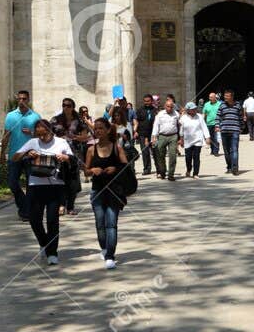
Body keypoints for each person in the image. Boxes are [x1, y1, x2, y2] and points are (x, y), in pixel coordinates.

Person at [13, 119, 73, 266]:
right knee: (34, 219)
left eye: (44, 134)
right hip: (35, 185)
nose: (42, 138)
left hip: (55, 185)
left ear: (50, 131)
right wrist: (27, 153)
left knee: (53, 220)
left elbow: (72, 160)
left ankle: (52, 253)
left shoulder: (61, 143)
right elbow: (15, 157)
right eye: (39, 134)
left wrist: (65, 158)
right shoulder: (32, 142)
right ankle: (44, 242)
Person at [84, 118, 130, 268]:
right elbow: (85, 170)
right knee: (100, 223)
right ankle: (104, 248)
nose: (97, 131)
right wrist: (92, 171)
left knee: (111, 224)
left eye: (100, 128)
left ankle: (110, 255)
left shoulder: (117, 148)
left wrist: (115, 169)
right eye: (95, 129)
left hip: (114, 191)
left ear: (108, 130)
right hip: (97, 191)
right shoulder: (91, 149)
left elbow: (126, 166)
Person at [0, 89, 40, 221]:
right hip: (14, 155)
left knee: (31, 185)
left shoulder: (35, 116)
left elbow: (42, 136)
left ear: (28, 100)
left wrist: (32, 133)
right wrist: (2, 154)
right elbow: (6, 136)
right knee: (12, 183)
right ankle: (24, 207)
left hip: (30, 155)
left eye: (24, 99)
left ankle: (26, 212)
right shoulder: (11, 116)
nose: (21, 101)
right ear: (17, 100)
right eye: (19, 99)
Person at [152, 95, 181, 180]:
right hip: (162, 136)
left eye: (171, 107)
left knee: (172, 156)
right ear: (165, 106)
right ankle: (162, 171)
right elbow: (156, 125)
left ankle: (171, 174)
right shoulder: (160, 114)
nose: (169, 108)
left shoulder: (176, 114)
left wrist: (181, 137)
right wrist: (154, 137)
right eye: (168, 106)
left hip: (173, 136)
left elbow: (181, 124)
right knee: (160, 154)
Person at [218, 87, 243, 173]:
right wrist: (217, 126)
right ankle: (229, 166)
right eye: (225, 96)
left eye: (227, 96)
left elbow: (240, 117)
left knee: (234, 149)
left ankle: (235, 168)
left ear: (232, 97)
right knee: (226, 150)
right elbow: (218, 116)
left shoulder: (238, 105)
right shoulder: (222, 105)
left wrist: (241, 127)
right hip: (224, 131)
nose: (225, 97)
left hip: (235, 131)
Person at [180, 102, 209, 177]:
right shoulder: (183, 118)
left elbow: (204, 127)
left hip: (198, 140)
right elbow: (181, 130)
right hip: (187, 140)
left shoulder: (199, 116)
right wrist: (181, 139)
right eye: (192, 109)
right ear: (188, 110)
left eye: (195, 108)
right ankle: (188, 169)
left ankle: (196, 173)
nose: (194, 110)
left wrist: (207, 137)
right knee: (188, 157)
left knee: (196, 157)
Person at [136, 96, 157, 175]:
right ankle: (147, 169)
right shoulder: (140, 110)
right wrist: (136, 132)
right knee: (145, 152)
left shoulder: (155, 110)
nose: (146, 103)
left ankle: (158, 168)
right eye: (145, 101)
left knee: (155, 152)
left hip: (153, 134)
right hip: (143, 134)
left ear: (151, 101)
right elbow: (137, 122)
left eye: (148, 101)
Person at [203, 92, 222, 156]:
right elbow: (204, 114)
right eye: (209, 97)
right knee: (210, 137)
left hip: (217, 123)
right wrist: (203, 123)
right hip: (209, 123)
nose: (209, 98)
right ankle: (212, 150)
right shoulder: (206, 104)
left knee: (216, 137)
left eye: (211, 97)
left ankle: (216, 151)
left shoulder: (219, 104)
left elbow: (222, 114)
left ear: (215, 98)